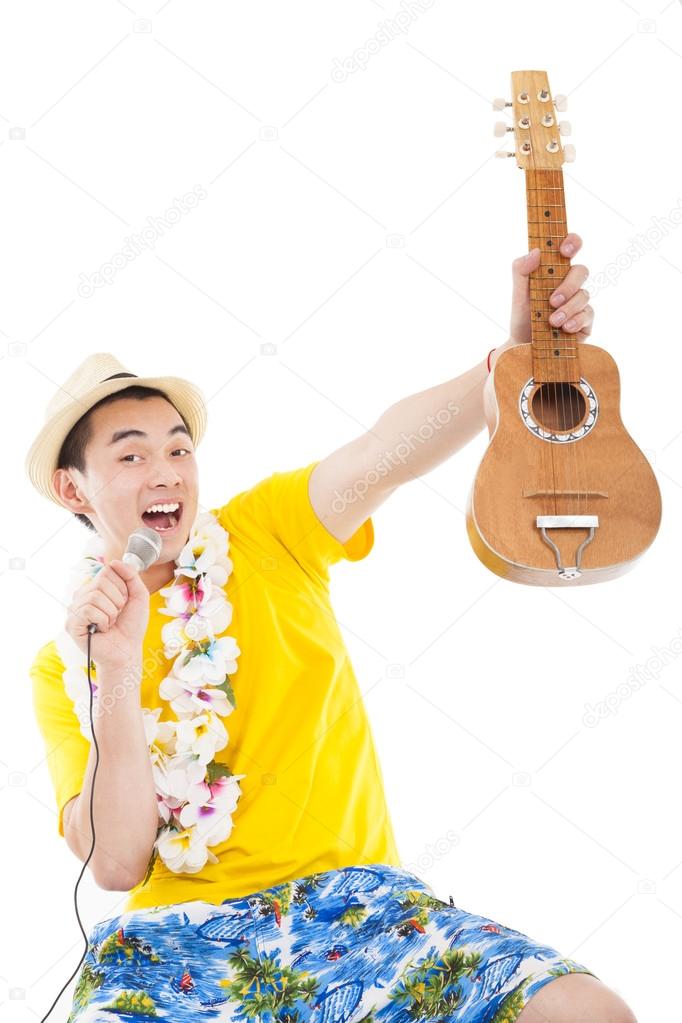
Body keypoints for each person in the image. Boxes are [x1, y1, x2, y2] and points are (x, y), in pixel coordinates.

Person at [26, 236, 636, 1023]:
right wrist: (111, 670)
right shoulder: (63, 664)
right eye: (132, 455)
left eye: (178, 447)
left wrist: (504, 367)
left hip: (362, 910)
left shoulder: (266, 532)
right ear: (72, 485)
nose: (167, 471)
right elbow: (115, 862)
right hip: (184, 946)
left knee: (586, 1011)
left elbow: (385, 452)